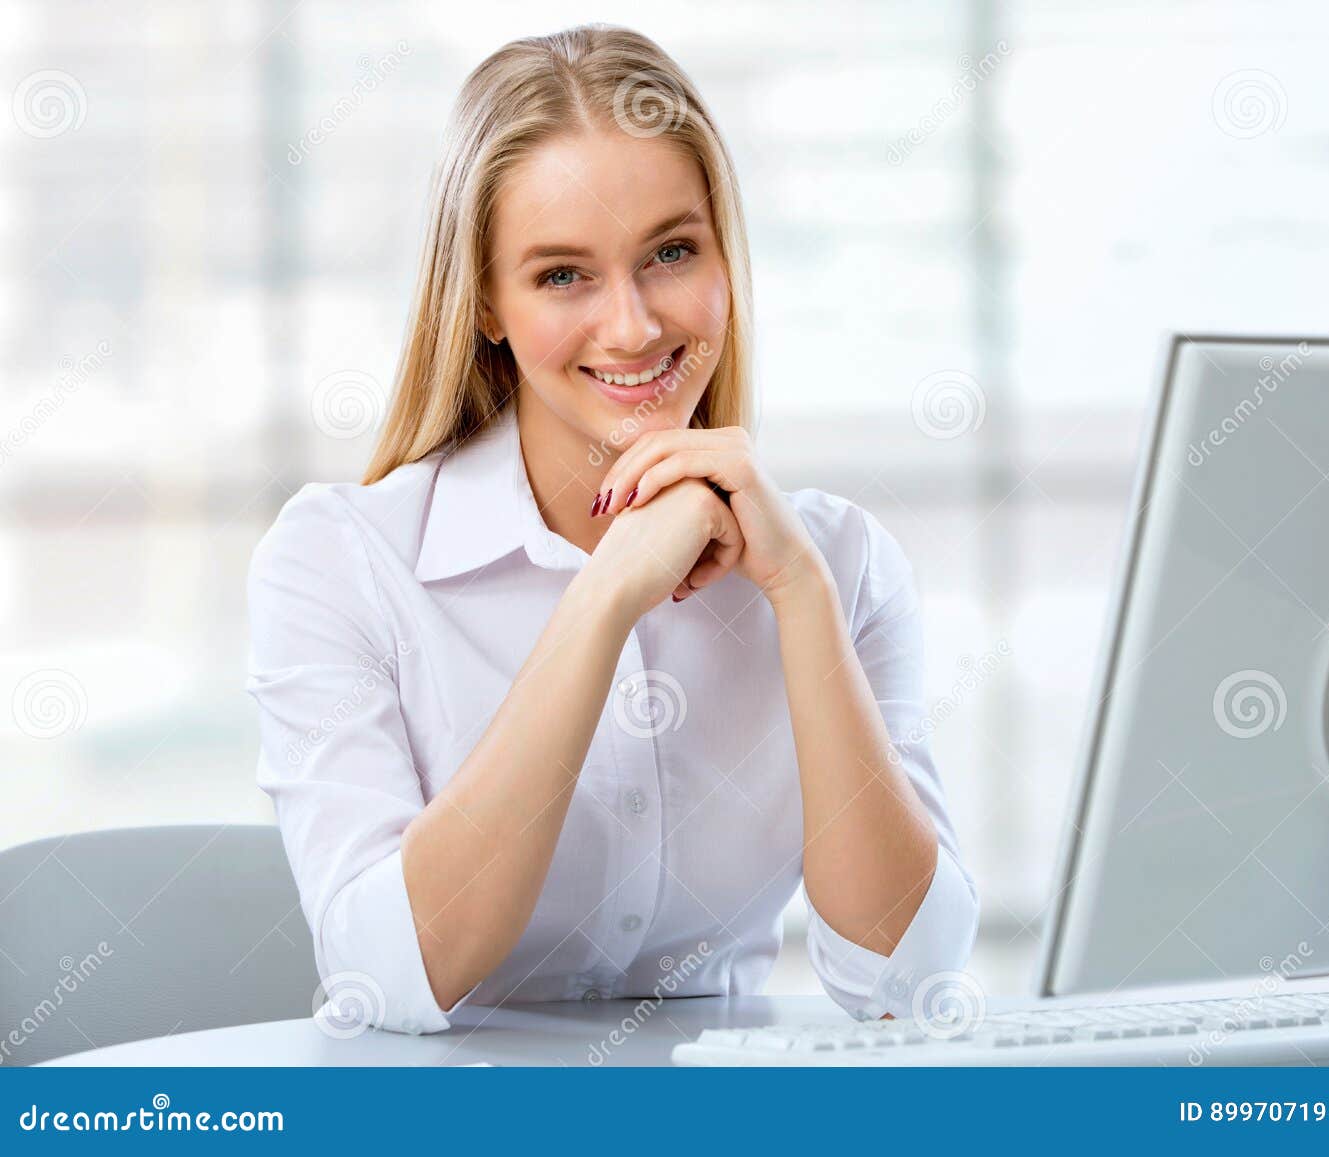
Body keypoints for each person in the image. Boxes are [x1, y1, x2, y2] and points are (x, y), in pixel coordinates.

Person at [245, 25, 978, 1036]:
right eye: (561, 275)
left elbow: (911, 986)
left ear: (727, 262)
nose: (632, 325)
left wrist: (800, 596)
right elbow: (393, 976)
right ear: (487, 305)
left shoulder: (837, 562)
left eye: (672, 252)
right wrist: (601, 595)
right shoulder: (340, 559)